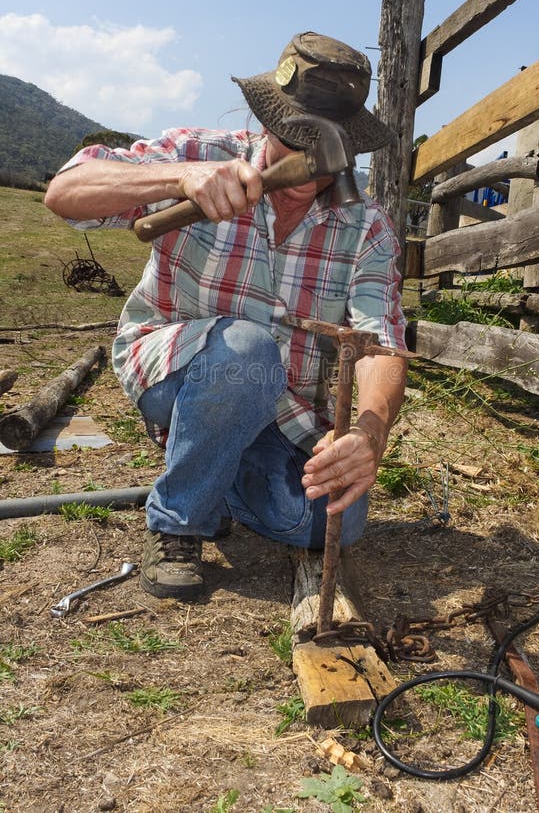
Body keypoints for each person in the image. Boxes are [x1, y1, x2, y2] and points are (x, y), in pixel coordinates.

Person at [45, 31, 408, 601]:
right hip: (174, 367)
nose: (311, 165)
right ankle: (178, 521)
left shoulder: (368, 227)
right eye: (296, 139)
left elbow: (379, 344)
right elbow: (65, 191)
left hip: (280, 407)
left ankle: (209, 464)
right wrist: (177, 179)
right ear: (265, 121)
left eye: (328, 146)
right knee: (246, 349)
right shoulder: (198, 154)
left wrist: (369, 431)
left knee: (330, 518)